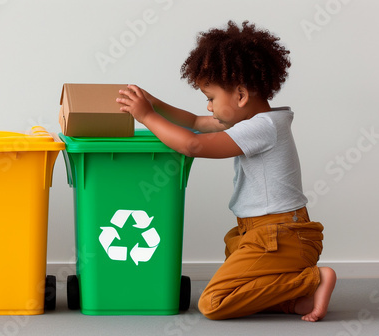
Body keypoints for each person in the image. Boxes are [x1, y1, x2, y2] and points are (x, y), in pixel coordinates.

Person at [115, 20, 336, 322]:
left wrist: (146, 116)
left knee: (214, 303)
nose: (208, 108)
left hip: (281, 236)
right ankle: (299, 300)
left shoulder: (262, 127)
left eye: (211, 98)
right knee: (243, 291)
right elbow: (192, 123)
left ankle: (314, 280)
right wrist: (154, 104)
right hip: (260, 233)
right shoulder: (255, 120)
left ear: (241, 96)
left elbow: (193, 145)